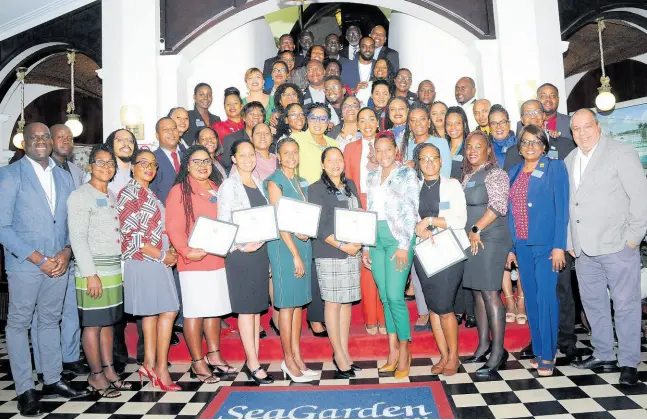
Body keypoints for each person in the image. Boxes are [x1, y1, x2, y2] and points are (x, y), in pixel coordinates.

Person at [0, 123, 87, 417]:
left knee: (50, 321)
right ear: (24, 143)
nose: (40, 141)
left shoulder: (63, 177)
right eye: (34, 137)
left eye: (44, 137)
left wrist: (66, 251)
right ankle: (25, 389)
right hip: (26, 264)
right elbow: (3, 227)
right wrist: (38, 258)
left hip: (59, 263)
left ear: (51, 142)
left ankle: (51, 379)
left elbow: (69, 224)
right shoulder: (10, 175)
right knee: (19, 324)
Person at [566, 109, 647, 385]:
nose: (582, 133)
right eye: (576, 129)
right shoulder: (569, 160)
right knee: (593, 304)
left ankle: (628, 362)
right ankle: (604, 354)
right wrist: (569, 241)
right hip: (584, 250)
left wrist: (633, 238)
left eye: (587, 126)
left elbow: (641, 197)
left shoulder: (620, 152)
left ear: (598, 126)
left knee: (625, 305)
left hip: (617, 245)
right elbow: (570, 204)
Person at [165, 145, 233, 385]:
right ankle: (197, 361)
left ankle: (214, 355)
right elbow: (173, 226)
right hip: (193, 260)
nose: (203, 166)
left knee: (214, 309)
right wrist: (185, 251)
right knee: (195, 312)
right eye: (197, 162)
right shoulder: (179, 191)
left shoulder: (217, 188)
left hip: (217, 258)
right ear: (187, 165)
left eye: (207, 161)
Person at [505, 125, 569, 377]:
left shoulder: (555, 168)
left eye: (535, 142)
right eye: (525, 142)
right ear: (519, 148)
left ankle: (548, 354)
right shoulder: (513, 172)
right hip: (521, 245)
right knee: (530, 300)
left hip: (546, 246)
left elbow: (562, 209)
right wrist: (511, 248)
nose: (530, 146)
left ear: (544, 146)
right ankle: (540, 349)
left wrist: (559, 246)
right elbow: (510, 213)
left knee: (546, 298)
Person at [67, 144, 130, 397]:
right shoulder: (81, 196)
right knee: (93, 326)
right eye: (101, 162)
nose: (106, 167)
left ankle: (109, 370)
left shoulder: (111, 195)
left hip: (113, 268)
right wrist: (90, 273)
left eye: (110, 163)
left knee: (108, 324)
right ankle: (95, 375)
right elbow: (78, 238)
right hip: (92, 270)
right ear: (90, 166)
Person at [117, 149, 180, 391]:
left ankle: (149, 365)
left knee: (153, 314)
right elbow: (132, 236)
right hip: (145, 260)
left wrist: (169, 249)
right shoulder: (128, 193)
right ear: (133, 166)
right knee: (169, 310)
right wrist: (164, 255)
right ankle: (160, 369)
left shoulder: (149, 193)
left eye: (153, 164)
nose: (149, 167)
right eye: (143, 163)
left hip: (156, 260)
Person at [32, 124, 86, 379]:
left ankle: (70, 357)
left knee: (71, 309)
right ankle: (45, 366)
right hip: (46, 253)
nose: (65, 140)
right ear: (50, 141)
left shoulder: (75, 171)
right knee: (44, 314)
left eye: (69, 137)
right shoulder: (38, 170)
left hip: (72, 248)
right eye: (60, 136)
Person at [363, 131, 418, 378]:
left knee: (396, 296)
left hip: (398, 239)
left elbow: (411, 209)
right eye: (379, 150)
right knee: (385, 297)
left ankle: (405, 350)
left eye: (388, 149)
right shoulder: (372, 176)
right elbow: (370, 210)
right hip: (375, 239)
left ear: (396, 150)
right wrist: (366, 245)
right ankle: (392, 350)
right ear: (374, 151)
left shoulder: (407, 173)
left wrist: (404, 245)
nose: (383, 155)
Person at [218, 140, 273, 384]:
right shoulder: (229, 186)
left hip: (260, 253)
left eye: (252, 155)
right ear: (234, 159)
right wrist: (241, 246)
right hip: (240, 255)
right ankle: (252, 363)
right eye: (244, 155)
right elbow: (224, 222)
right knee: (246, 309)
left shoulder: (258, 182)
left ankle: (256, 358)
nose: (249, 159)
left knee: (255, 311)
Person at [412, 143, 468, 376]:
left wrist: (430, 221)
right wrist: (419, 228)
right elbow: (410, 219)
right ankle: (443, 355)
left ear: (441, 160)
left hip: (450, 252)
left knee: (444, 308)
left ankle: (454, 356)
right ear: (418, 163)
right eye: (424, 159)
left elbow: (460, 219)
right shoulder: (414, 188)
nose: (429, 163)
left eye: (433, 158)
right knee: (433, 308)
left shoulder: (452, 185)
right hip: (425, 252)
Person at [460, 131, 512, 376]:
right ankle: (482, 346)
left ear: (488, 150)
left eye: (478, 146)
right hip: (472, 240)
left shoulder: (496, 173)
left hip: (490, 238)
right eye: (469, 146)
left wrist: (476, 227)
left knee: (491, 293)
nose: (472, 150)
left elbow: (498, 206)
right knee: (478, 295)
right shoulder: (468, 175)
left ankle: (498, 353)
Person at [265, 137, 316, 383]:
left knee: (298, 305)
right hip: (285, 248)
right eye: (286, 153)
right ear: (279, 156)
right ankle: (288, 360)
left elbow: (304, 215)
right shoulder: (275, 182)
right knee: (286, 305)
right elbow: (280, 220)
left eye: (295, 152)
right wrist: (295, 253)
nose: (291, 156)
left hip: (302, 245)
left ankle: (297, 357)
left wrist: (307, 231)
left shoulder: (300, 180)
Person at [309, 147, 362, 378]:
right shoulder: (316, 188)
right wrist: (343, 246)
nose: (335, 164)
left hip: (353, 251)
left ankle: (344, 351)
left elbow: (359, 216)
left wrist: (362, 245)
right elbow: (319, 227)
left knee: (346, 302)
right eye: (329, 160)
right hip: (330, 251)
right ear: (322, 164)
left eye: (338, 159)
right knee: (333, 302)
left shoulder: (350, 184)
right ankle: (339, 355)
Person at [343, 107, 385, 334]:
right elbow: (347, 181)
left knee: (384, 262)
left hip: (385, 208)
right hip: (360, 207)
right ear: (357, 124)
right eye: (362, 120)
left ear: (378, 123)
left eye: (371, 119)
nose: (367, 124)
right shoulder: (350, 149)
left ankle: (384, 315)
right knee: (367, 264)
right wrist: (355, 209)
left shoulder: (387, 145)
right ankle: (371, 317)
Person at [100, 129, 138, 372]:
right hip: (111, 250)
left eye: (130, 141)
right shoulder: (104, 173)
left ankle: (137, 355)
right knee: (113, 309)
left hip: (135, 249)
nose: (126, 144)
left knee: (132, 304)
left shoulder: (138, 172)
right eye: (120, 140)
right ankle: (115, 359)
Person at [504, 100, 576, 171]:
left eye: (537, 112)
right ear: (522, 120)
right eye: (527, 113)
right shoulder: (513, 152)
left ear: (544, 115)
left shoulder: (566, 145)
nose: (532, 116)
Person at [291, 102, 339, 184]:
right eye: (313, 118)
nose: (317, 123)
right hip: (305, 191)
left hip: (329, 191)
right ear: (307, 120)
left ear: (328, 123)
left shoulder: (333, 143)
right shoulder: (296, 139)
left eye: (323, 119)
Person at [399, 102, 451, 176]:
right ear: (409, 126)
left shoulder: (441, 143)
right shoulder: (406, 146)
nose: (418, 123)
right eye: (413, 120)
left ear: (429, 122)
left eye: (422, 119)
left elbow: (445, 175)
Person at [151, 117, 187, 205]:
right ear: (157, 135)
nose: (171, 132)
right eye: (165, 129)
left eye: (174, 128)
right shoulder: (152, 159)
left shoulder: (187, 156)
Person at [221, 101, 266, 171]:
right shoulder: (231, 139)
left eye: (260, 114)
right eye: (252, 114)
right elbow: (226, 165)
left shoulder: (267, 138)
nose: (256, 117)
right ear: (244, 118)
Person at [445, 106, 470, 180]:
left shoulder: (470, 148)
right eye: (449, 124)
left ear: (464, 124)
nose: (453, 127)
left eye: (457, 123)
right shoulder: (442, 147)